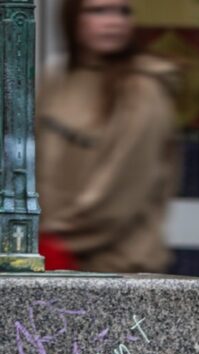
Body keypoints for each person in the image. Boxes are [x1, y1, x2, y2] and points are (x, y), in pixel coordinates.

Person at [36, 0, 179, 273]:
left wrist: (53, 240)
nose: (114, 22)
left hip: (117, 268)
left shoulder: (142, 88)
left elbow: (122, 187)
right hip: (52, 263)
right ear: (72, 17)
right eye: (98, 11)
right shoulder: (55, 82)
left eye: (123, 11)